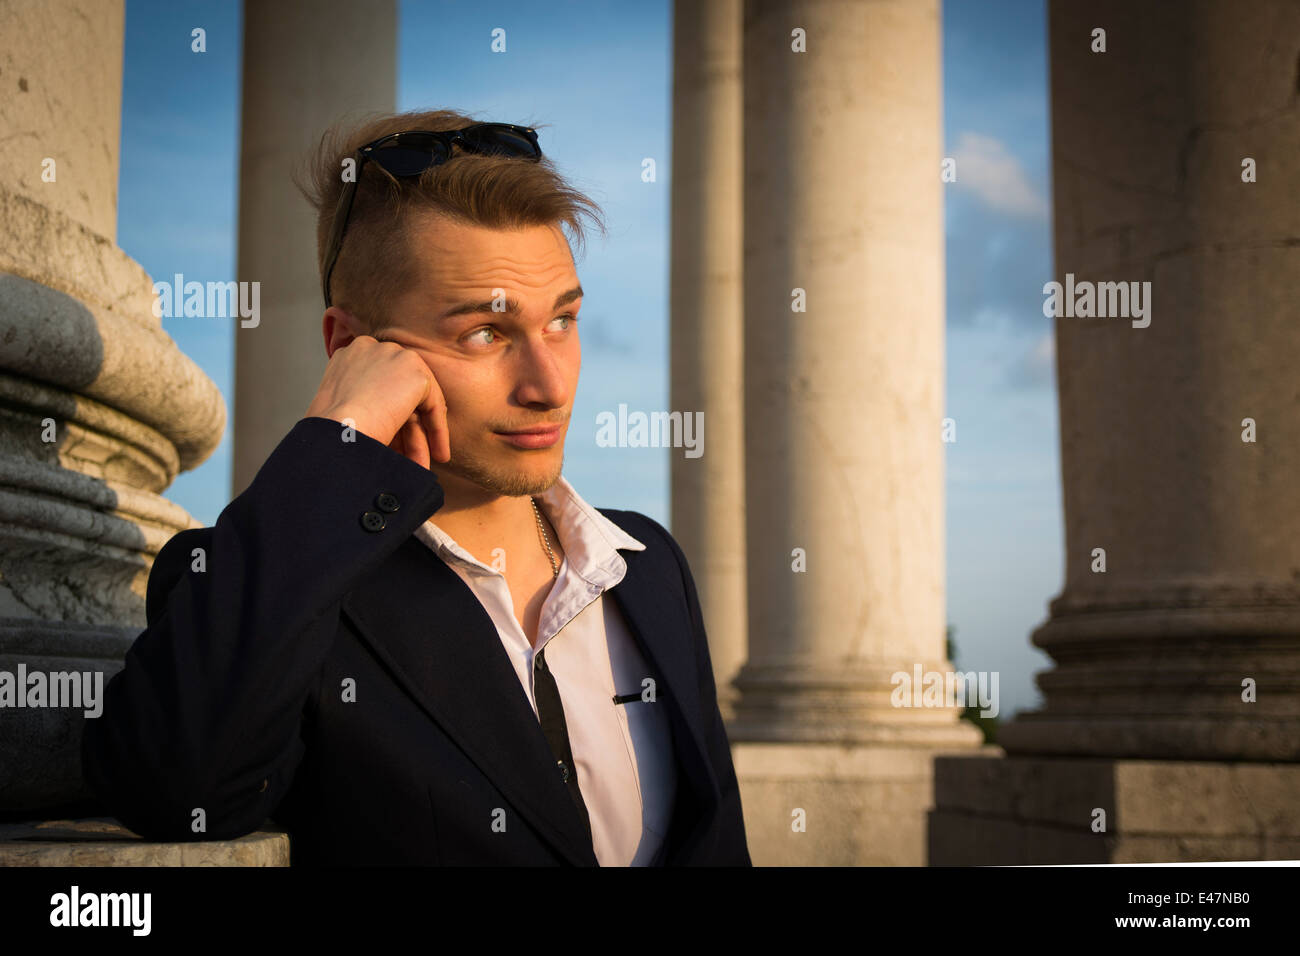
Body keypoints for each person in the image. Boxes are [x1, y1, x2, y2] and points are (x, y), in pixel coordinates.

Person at [81, 108, 751, 866]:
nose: (548, 384)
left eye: (562, 321)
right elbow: (174, 791)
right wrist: (337, 440)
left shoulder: (647, 564)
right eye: (485, 334)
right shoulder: (281, 592)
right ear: (350, 347)